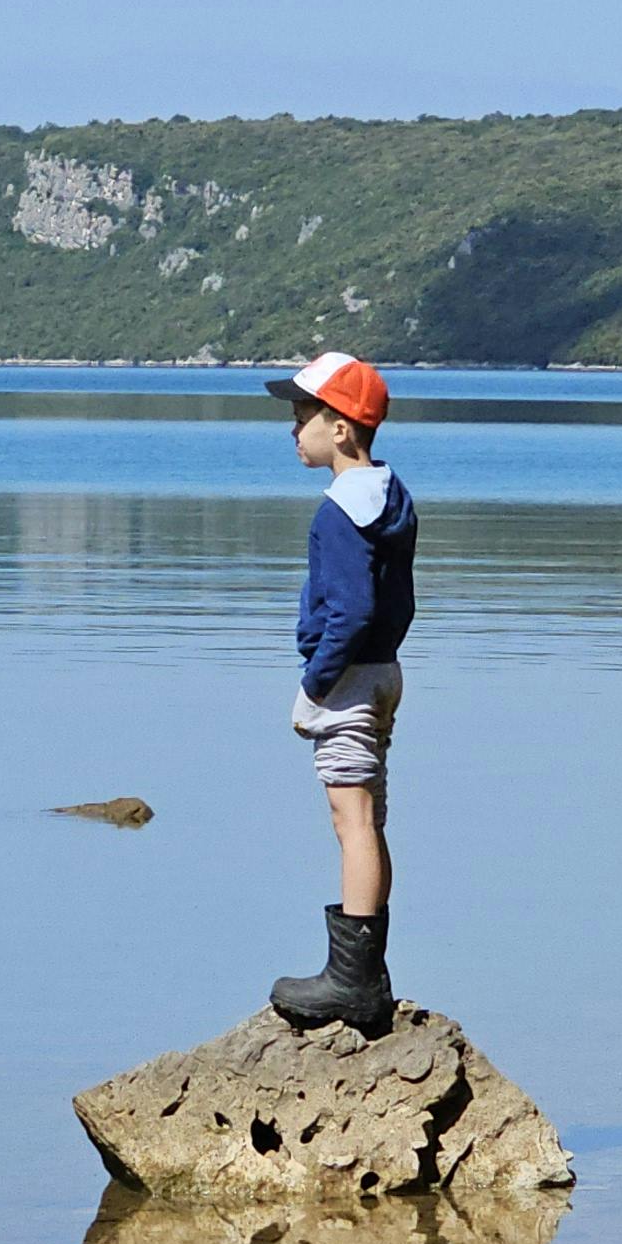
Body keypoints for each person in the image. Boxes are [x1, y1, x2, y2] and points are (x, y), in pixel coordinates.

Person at [263, 349, 414, 1036]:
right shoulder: (392, 495)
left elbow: (348, 611)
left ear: (343, 430)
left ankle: (351, 981)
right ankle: (368, 971)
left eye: (303, 418)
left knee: (349, 822)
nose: (294, 432)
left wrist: (316, 684)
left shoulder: (337, 513)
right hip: (383, 672)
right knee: (368, 821)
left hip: (349, 679)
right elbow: (396, 604)